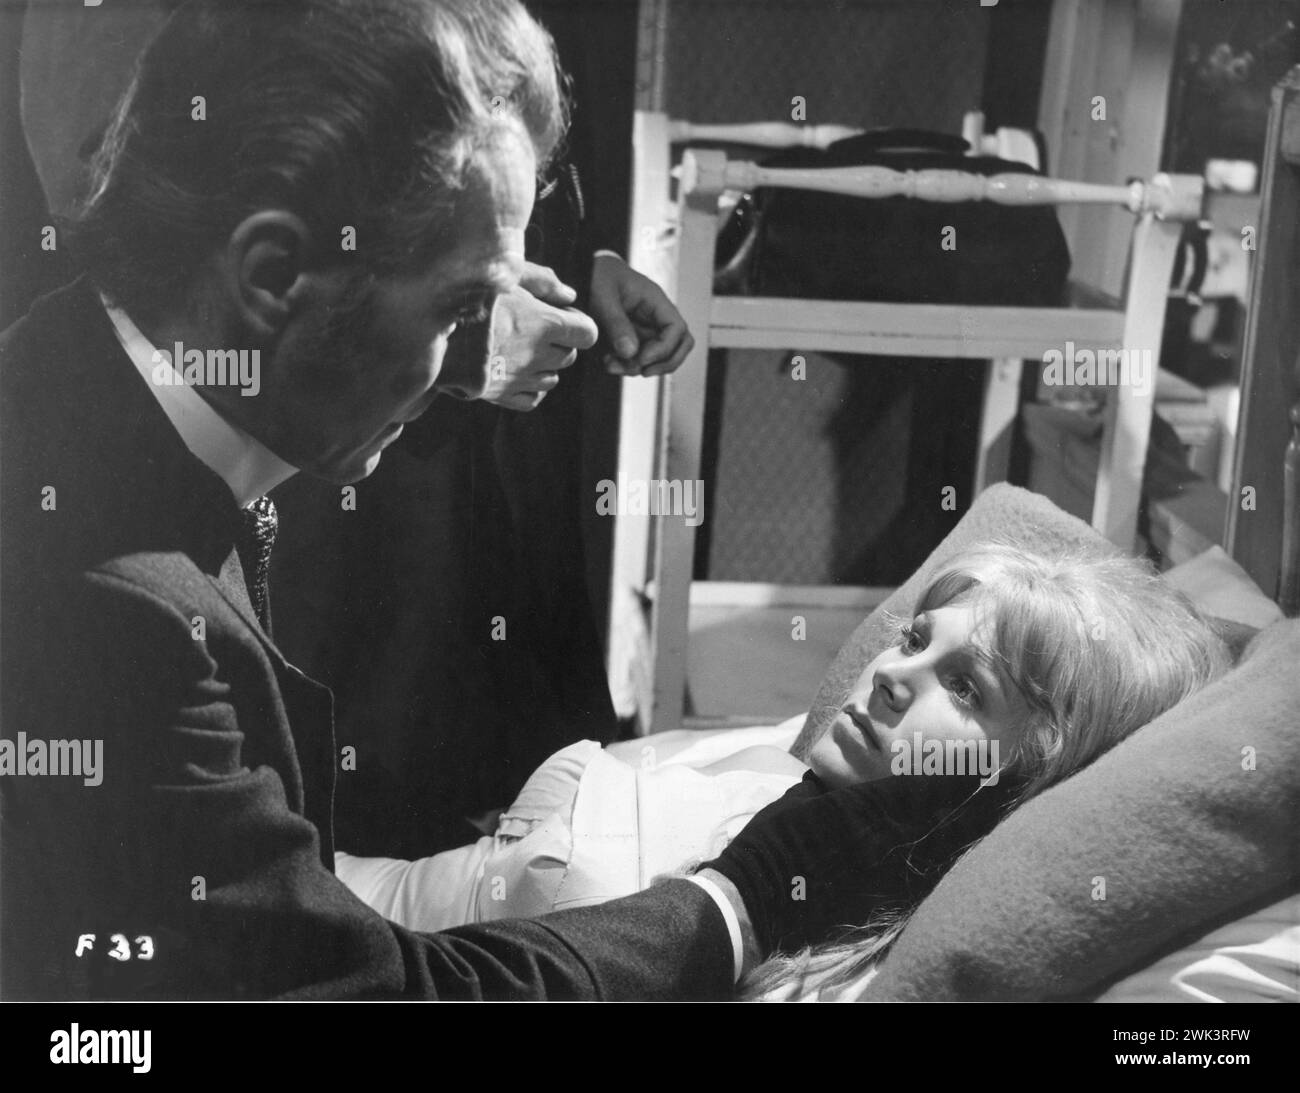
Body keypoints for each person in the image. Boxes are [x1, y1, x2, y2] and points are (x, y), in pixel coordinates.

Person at [0, 0, 882, 1002]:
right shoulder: (119, 618)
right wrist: (744, 896)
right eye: (463, 308)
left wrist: (443, 315)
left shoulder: (73, 363)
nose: (476, 352)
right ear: (272, 274)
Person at [331, 542, 1229, 954]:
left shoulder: (838, 938)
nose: (889, 673)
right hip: (340, 896)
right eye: (915, 638)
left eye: (965, 686)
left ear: (1034, 779)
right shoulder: (810, 787)